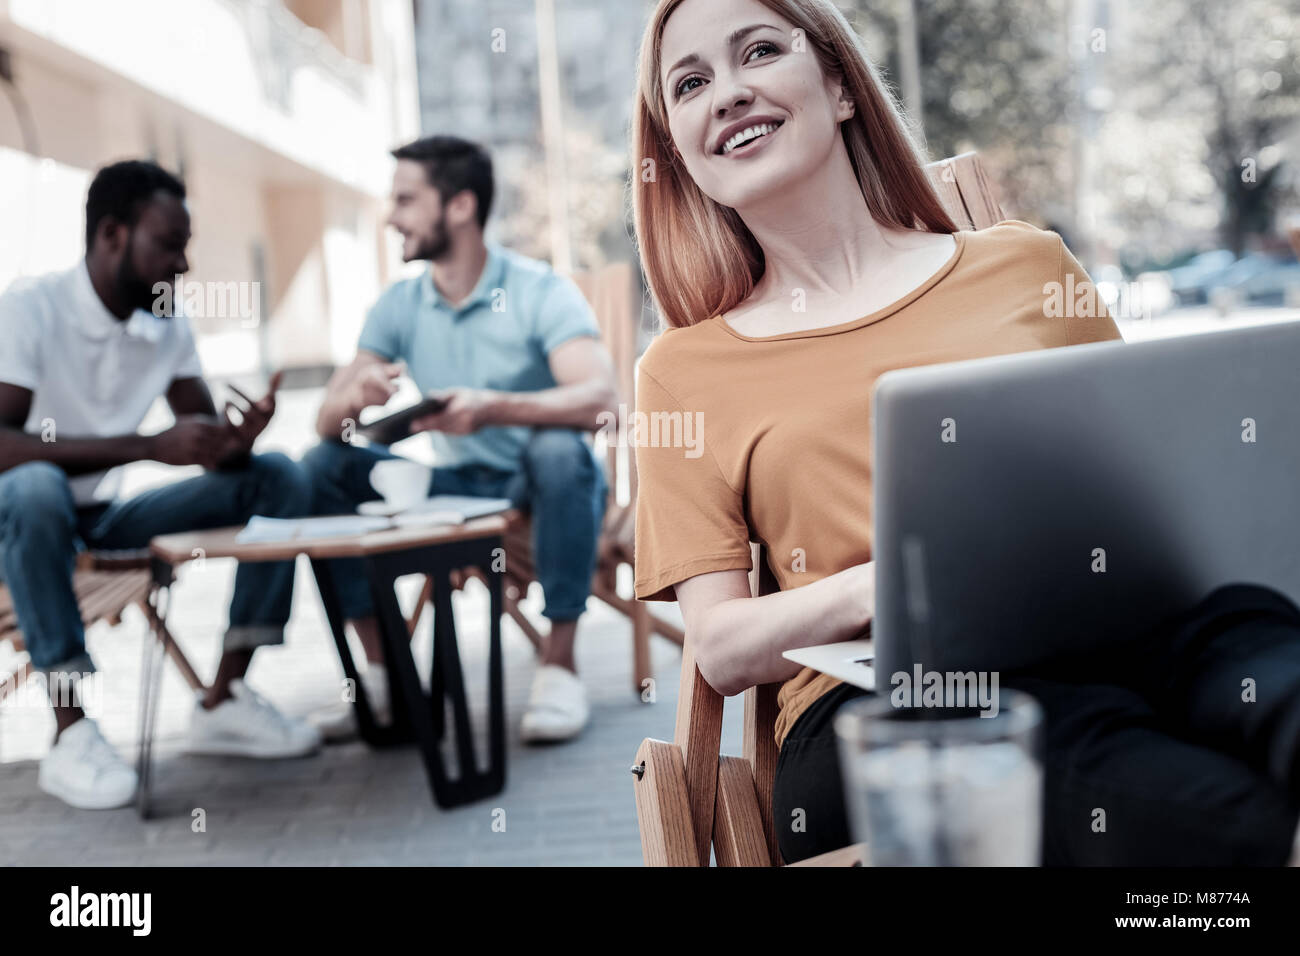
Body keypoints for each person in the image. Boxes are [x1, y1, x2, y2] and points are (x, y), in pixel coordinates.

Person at [628, 0, 1300, 865]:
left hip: (1115, 634)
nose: (728, 93)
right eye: (690, 84)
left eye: (759, 50)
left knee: (1253, 637)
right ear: (678, 151)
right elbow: (718, 648)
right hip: (885, 707)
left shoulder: (1026, 267)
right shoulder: (684, 369)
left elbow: (1150, 491)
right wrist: (875, 592)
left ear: (838, 84)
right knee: (1049, 737)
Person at [0, 160, 321, 811]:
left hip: (103, 518)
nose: (182, 265)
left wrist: (237, 441)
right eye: (168, 245)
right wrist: (147, 446)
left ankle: (224, 698)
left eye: (186, 246)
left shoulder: (165, 319)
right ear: (112, 234)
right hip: (23, 518)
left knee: (280, 477)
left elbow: (204, 439)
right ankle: (70, 731)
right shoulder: (30, 311)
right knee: (36, 487)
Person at [302, 135, 618, 744]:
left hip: (533, 490)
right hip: (453, 489)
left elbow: (603, 403)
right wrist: (352, 397)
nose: (391, 217)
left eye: (405, 200)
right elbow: (326, 422)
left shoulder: (538, 290)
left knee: (559, 447)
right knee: (322, 465)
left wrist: (491, 408)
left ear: (460, 207)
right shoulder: (399, 304)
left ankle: (560, 666)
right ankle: (387, 672)